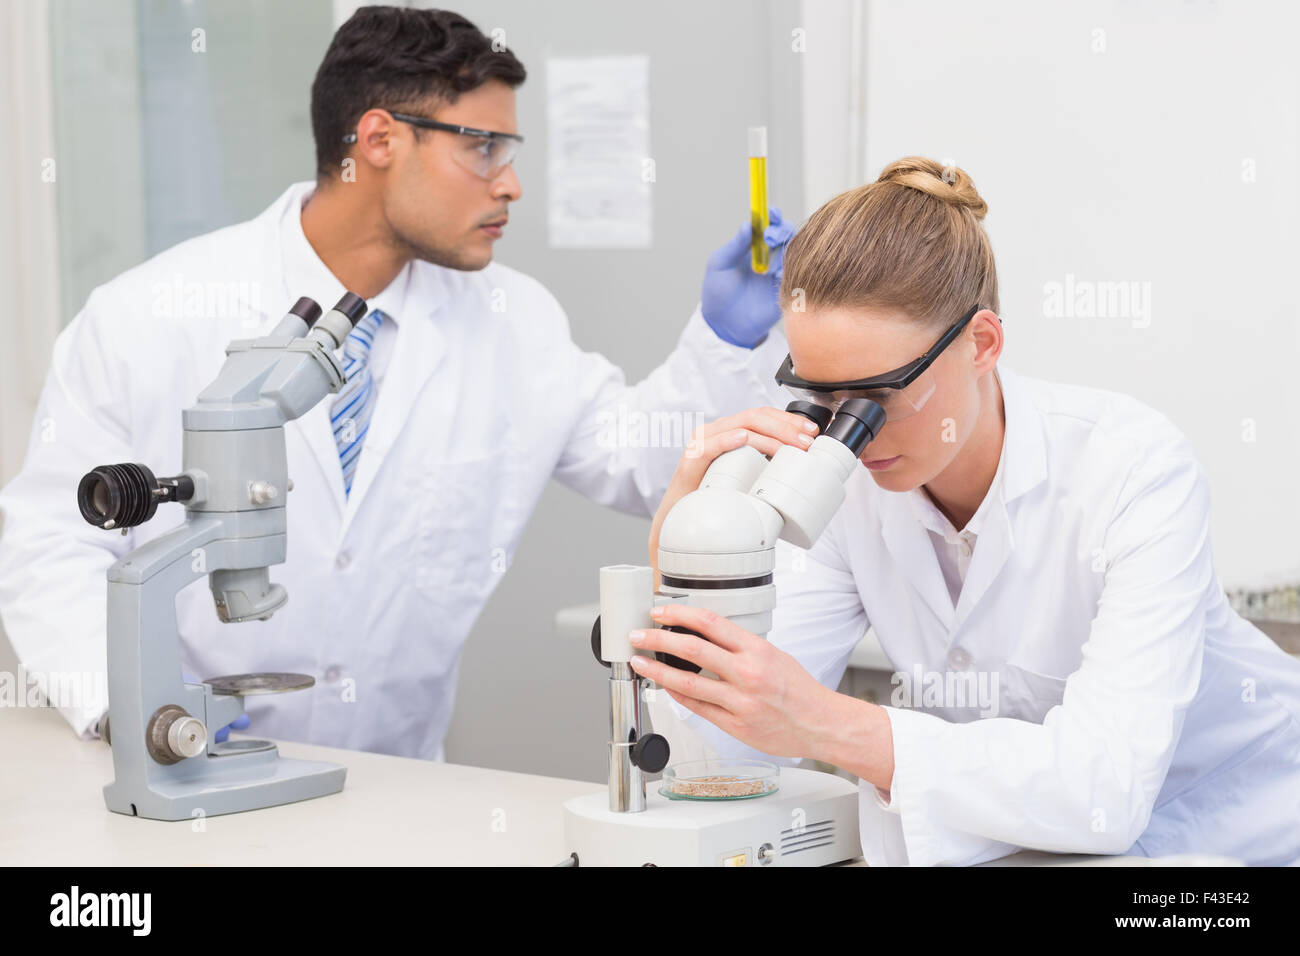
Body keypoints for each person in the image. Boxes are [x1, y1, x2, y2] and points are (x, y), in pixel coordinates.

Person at [0, 6, 798, 759]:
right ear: (379, 139)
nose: (510, 184)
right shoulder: (150, 315)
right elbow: (48, 542)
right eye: (483, 148)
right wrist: (136, 710)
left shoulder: (511, 321)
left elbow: (645, 468)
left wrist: (726, 336)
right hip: (188, 768)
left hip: (399, 788)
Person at [627, 157, 1300, 866]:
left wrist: (830, 726)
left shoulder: (1132, 467)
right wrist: (685, 560)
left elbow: (1104, 789)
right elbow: (722, 749)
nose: (850, 434)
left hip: (1245, 838)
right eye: (821, 398)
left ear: (981, 344)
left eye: (877, 396)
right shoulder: (842, 489)